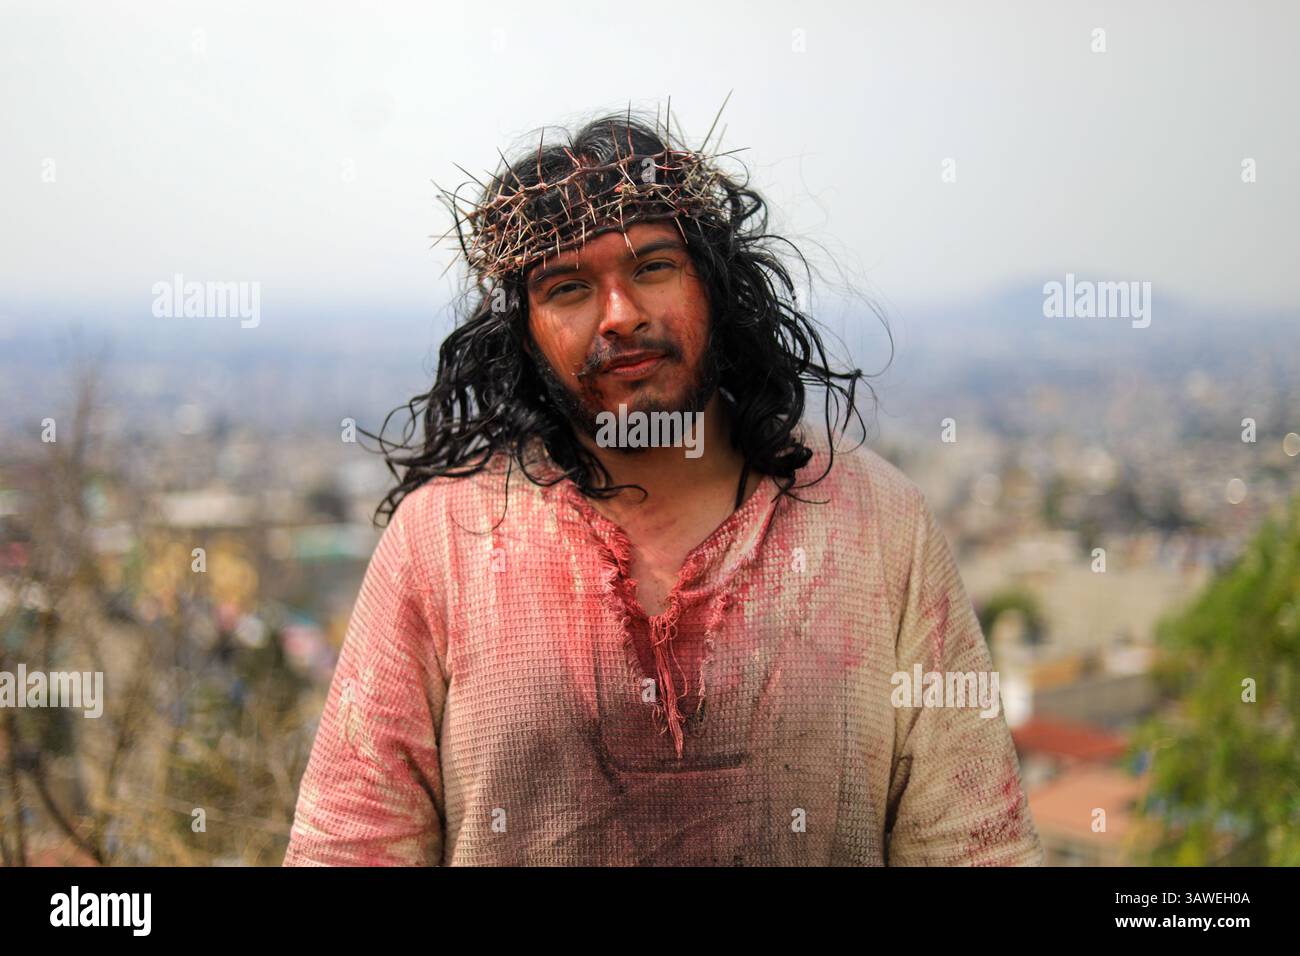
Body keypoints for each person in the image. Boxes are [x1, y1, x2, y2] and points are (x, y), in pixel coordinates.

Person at [282, 107, 1043, 866]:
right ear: (527, 334)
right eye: (568, 288)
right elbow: (350, 848)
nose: (620, 316)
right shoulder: (443, 540)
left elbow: (975, 847)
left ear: (716, 289)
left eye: (652, 268)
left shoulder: (878, 524)